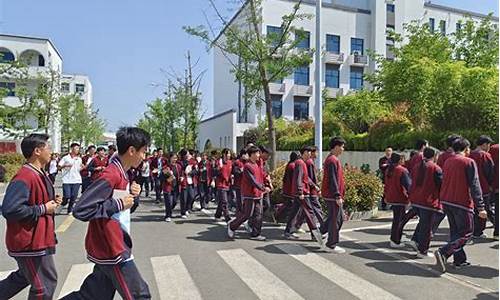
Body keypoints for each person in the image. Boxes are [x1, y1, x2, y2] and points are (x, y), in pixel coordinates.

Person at [61, 127, 151, 299]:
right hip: (112, 248)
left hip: (111, 245)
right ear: (131, 150)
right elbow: (81, 209)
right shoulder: (111, 174)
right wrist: (117, 203)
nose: (144, 157)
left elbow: (122, 208)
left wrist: (133, 196)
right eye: (143, 152)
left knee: (91, 296)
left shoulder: (122, 172)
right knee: (140, 296)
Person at [0, 133, 62, 299]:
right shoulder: (25, 176)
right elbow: (10, 209)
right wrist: (43, 208)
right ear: (37, 151)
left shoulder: (39, 173)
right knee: (44, 285)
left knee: (25, 278)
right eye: (48, 148)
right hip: (29, 243)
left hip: (38, 240)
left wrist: (51, 203)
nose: (52, 151)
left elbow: (35, 201)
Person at [434, 138, 487, 273]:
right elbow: (475, 185)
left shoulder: (448, 160)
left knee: (455, 232)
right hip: (461, 202)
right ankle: (444, 252)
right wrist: (480, 207)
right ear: (466, 148)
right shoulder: (468, 162)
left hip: (447, 200)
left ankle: (459, 260)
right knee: (466, 233)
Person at [407, 147, 444, 257]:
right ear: (434, 156)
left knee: (423, 224)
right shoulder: (435, 168)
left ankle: (415, 241)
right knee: (426, 228)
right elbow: (441, 185)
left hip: (416, 200)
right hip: (428, 201)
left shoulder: (417, 166)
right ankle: (422, 251)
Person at [284, 146, 324, 248]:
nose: (310, 154)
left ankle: (288, 231)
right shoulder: (300, 163)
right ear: (304, 152)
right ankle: (315, 235)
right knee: (310, 213)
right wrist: (301, 191)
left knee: (295, 212)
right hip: (303, 193)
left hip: (301, 192)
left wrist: (314, 186)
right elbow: (298, 178)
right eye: (309, 152)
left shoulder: (301, 162)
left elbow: (306, 178)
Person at [228, 146, 271, 240]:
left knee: (258, 214)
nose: (259, 155)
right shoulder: (247, 166)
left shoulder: (258, 164)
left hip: (258, 194)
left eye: (259, 153)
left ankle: (255, 234)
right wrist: (263, 188)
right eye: (257, 153)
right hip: (250, 194)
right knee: (247, 214)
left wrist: (267, 183)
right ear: (251, 155)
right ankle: (232, 225)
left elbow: (262, 175)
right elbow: (253, 181)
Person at [320, 137, 347, 253]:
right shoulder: (332, 160)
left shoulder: (333, 159)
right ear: (336, 147)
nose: (343, 149)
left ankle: (320, 232)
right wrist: (337, 195)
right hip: (332, 195)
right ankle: (331, 244)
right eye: (341, 146)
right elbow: (333, 179)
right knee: (337, 218)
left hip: (331, 194)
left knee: (333, 217)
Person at [469, 135, 495, 239]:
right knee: (484, 209)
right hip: (483, 187)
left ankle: (474, 230)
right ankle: (479, 231)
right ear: (484, 144)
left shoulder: (469, 155)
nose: (489, 147)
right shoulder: (485, 155)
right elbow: (490, 172)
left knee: (474, 210)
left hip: (470, 187)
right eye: (489, 144)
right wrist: (490, 184)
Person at [384, 152, 412, 248]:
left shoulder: (389, 169)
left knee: (397, 219)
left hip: (391, 197)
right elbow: (408, 185)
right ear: (400, 160)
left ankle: (394, 239)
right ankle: (395, 240)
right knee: (399, 220)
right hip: (400, 197)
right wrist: (411, 197)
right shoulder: (402, 170)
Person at [58, 143, 83, 214]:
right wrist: (65, 165)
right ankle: (63, 204)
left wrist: (82, 168)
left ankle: (70, 209)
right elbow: (59, 167)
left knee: (73, 196)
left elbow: (78, 169)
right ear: (72, 149)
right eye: (76, 148)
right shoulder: (65, 158)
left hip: (76, 180)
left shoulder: (79, 159)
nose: (77, 150)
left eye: (78, 148)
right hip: (66, 180)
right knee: (67, 196)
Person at [214, 148, 233, 223]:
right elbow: (215, 172)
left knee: (222, 201)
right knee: (224, 201)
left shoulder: (230, 162)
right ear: (224, 154)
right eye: (228, 154)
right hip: (221, 184)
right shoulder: (220, 162)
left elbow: (232, 171)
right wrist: (219, 168)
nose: (229, 155)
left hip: (228, 184)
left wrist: (232, 176)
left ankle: (217, 215)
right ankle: (227, 218)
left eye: (229, 154)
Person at [163, 152, 180, 222]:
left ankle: (170, 210)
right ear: (170, 159)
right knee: (169, 202)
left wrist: (181, 178)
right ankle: (168, 215)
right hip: (168, 187)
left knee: (175, 201)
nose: (175, 159)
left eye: (176, 158)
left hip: (176, 186)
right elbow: (163, 178)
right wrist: (169, 178)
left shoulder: (178, 166)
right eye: (173, 158)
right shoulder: (166, 167)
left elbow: (180, 174)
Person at [232, 148, 248, 214]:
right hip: (238, 184)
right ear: (242, 155)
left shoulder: (248, 162)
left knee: (244, 201)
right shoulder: (237, 162)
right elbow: (235, 172)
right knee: (240, 201)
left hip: (246, 185)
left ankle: (241, 213)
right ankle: (239, 213)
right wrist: (241, 171)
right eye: (246, 154)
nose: (247, 156)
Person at [489, 143, 499, 240]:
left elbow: (490, 167)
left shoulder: (494, 148)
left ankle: (497, 232)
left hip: (496, 184)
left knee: (497, 209)